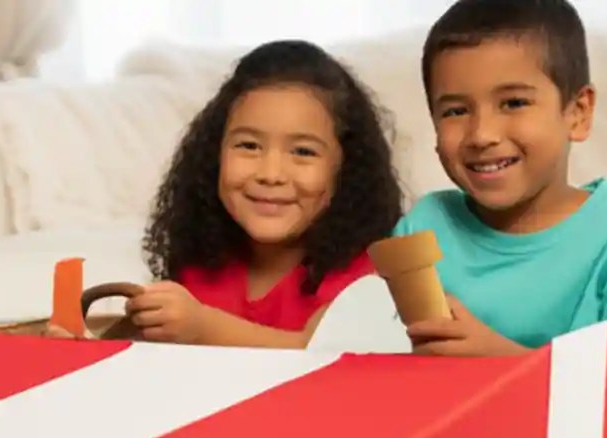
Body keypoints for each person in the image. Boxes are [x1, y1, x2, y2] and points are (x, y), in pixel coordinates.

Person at [50, 39, 404, 348]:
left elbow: (318, 351)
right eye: (248, 145)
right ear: (214, 155)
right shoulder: (200, 270)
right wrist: (85, 346)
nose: (270, 174)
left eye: (303, 152)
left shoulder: (361, 276)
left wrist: (203, 327)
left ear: (347, 168)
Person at [396, 0, 607, 357]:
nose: (481, 134)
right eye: (455, 111)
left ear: (578, 113)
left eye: (514, 103)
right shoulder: (423, 229)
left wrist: (496, 361)